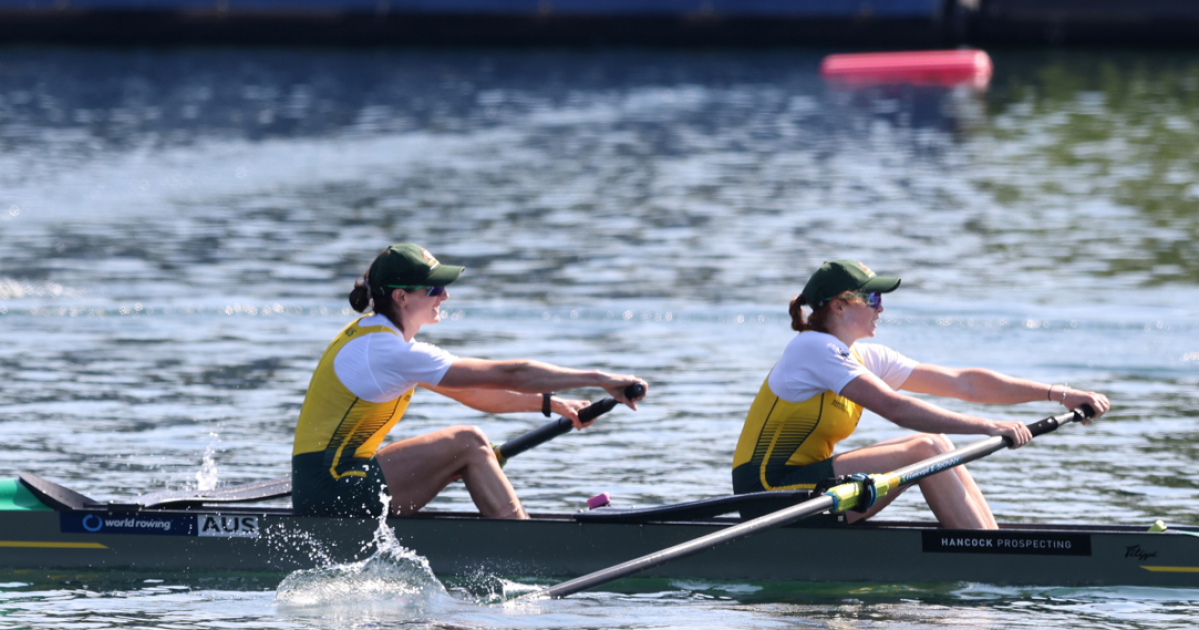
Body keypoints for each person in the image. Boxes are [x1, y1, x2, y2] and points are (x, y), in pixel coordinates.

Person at [731, 259, 1110, 529]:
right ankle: (988, 556)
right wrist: (988, 426)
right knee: (926, 449)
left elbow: (965, 383)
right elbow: (895, 408)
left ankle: (989, 541)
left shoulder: (866, 356)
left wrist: (1059, 394)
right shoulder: (812, 348)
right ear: (839, 305)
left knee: (937, 446)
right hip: (767, 493)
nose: (882, 308)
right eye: (873, 299)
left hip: (812, 488)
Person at [292, 243, 647, 520]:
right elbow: (511, 374)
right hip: (334, 490)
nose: (444, 296)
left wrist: (552, 404)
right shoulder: (385, 351)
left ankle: (512, 531)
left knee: (467, 446)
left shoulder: (381, 341)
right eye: (433, 288)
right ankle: (525, 548)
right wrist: (602, 379)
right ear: (400, 296)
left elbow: (475, 392)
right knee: (469, 441)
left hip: (337, 481)